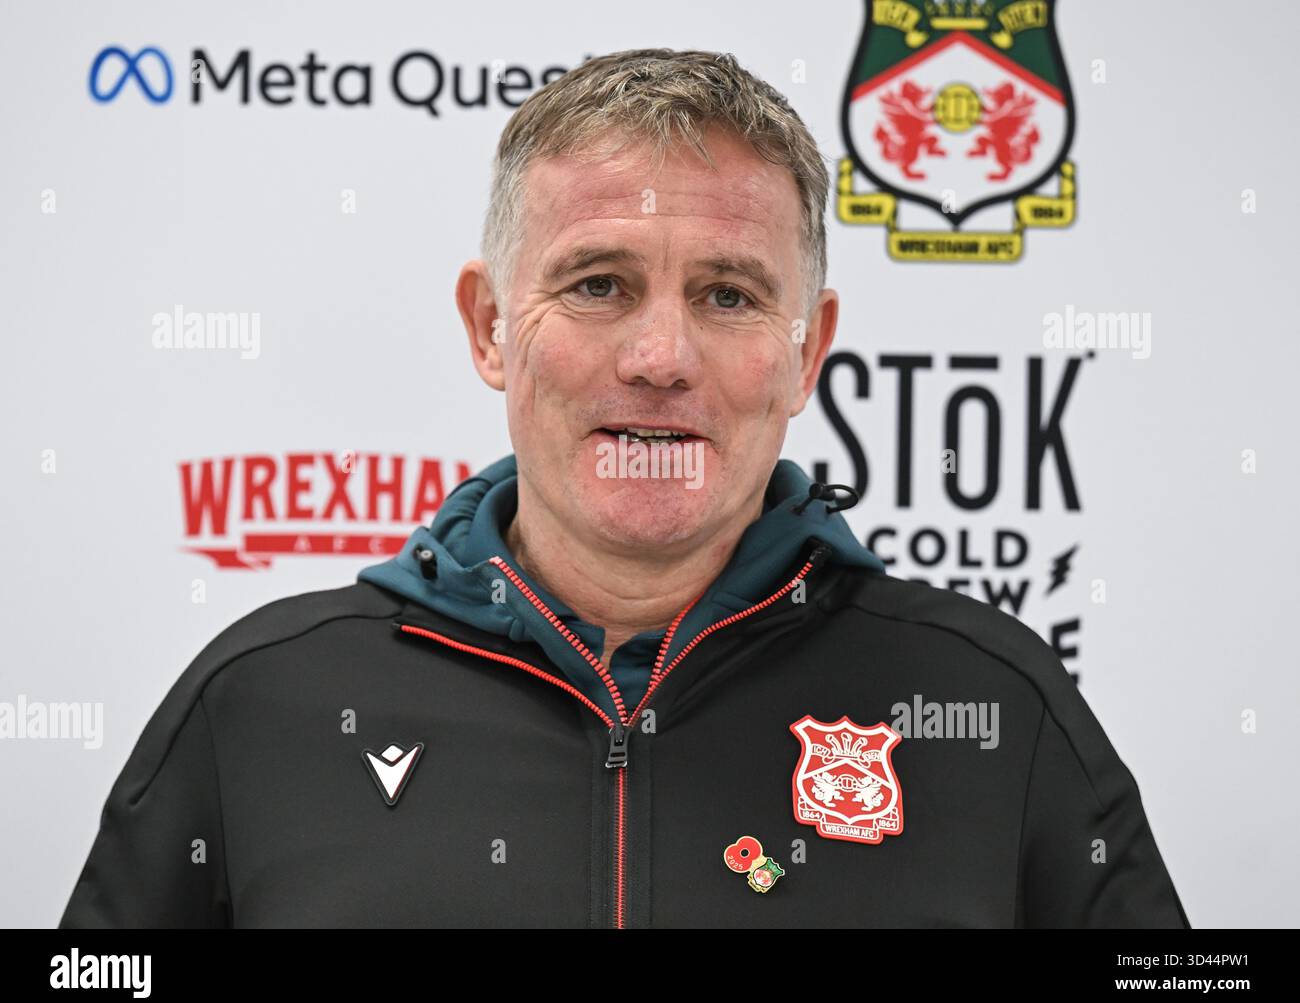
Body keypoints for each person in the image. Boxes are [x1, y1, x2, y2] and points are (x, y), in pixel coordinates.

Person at [59, 47, 1188, 929]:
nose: (661, 357)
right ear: (491, 326)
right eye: (598, 285)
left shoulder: (995, 710)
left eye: (730, 296)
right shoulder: (259, 704)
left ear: (807, 352)